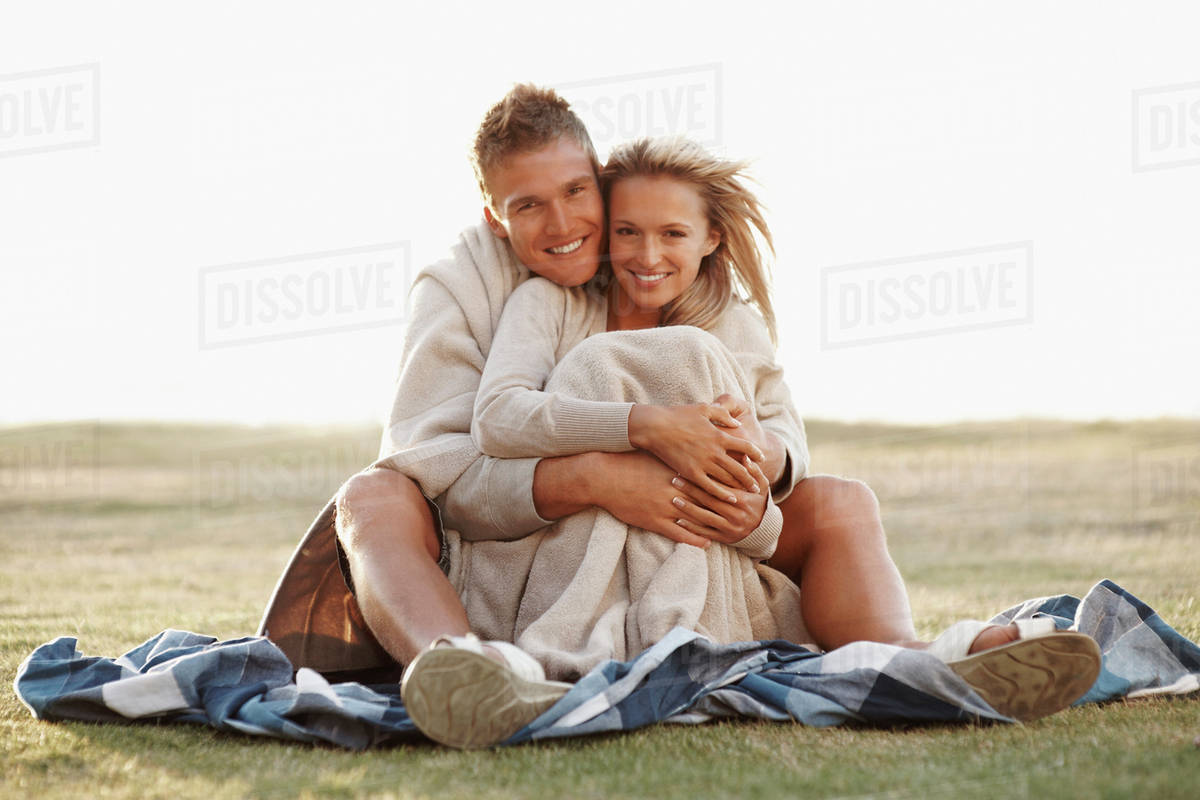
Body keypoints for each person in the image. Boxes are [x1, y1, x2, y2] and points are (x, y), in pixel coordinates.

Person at [257, 85, 1097, 748]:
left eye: (579, 193)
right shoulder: (481, 292)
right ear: (492, 214)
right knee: (369, 496)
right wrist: (601, 469)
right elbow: (446, 462)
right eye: (528, 207)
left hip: (702, 537)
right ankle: (463, 670)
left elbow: (782, 435)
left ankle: (916, 663)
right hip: (507, 541)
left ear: (602, 178)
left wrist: (758, 491)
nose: (566, 225)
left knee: (844, 500)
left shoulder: (717, 314)